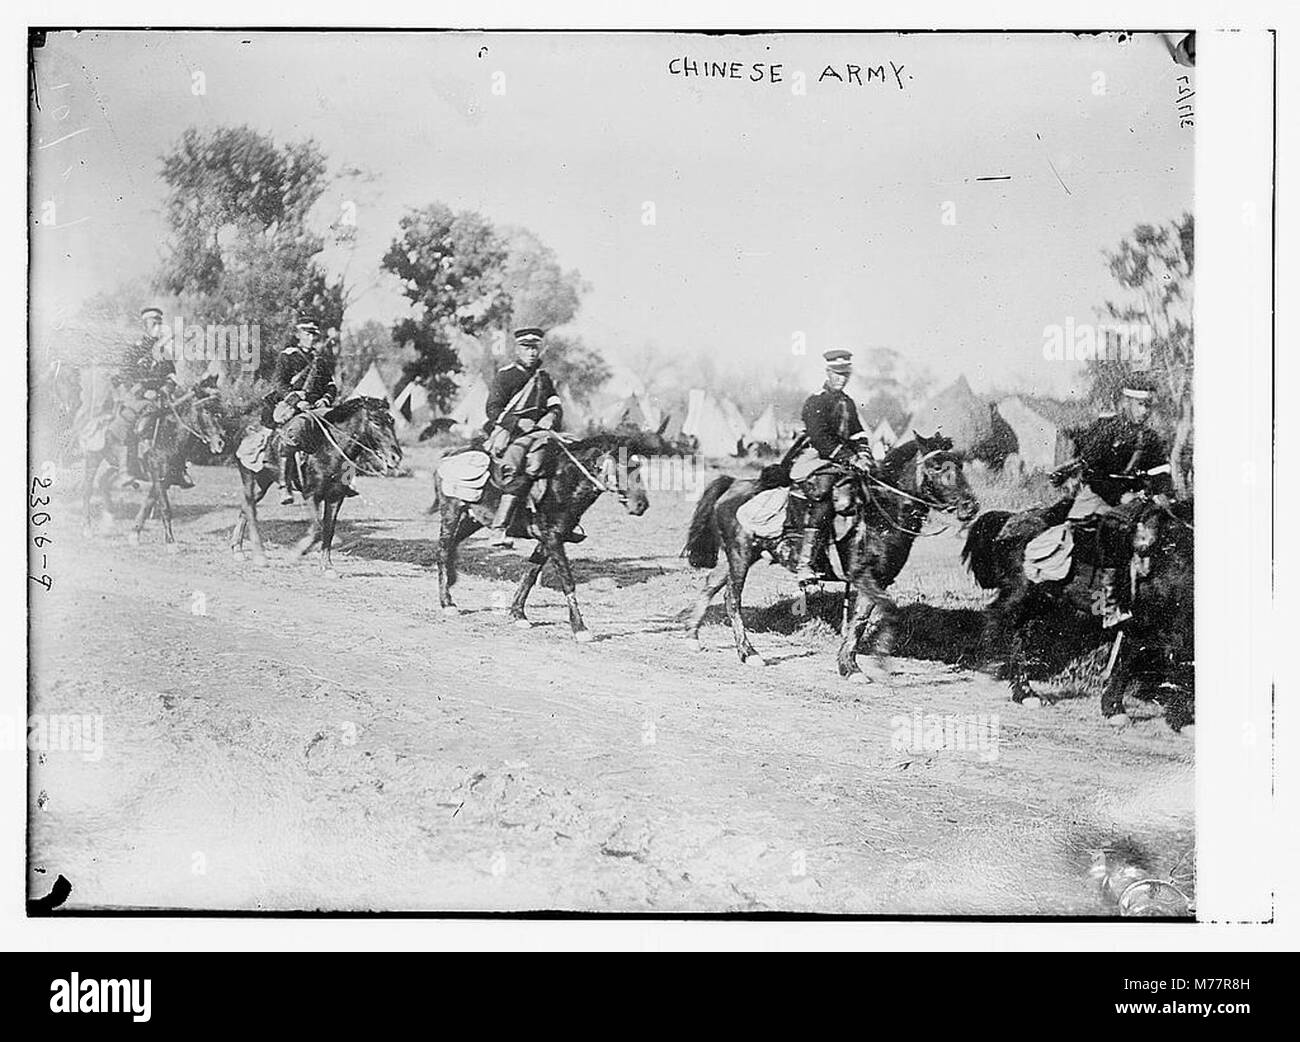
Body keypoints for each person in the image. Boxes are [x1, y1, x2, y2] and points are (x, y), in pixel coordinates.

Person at [788, 349, 876, 581]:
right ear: (828, 372)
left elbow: (857, 433)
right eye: (837, 373)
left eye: (845, 374)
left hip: (843, 461)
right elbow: (821, 439)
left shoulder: (848, 402)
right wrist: (850, 457)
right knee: (825, 494)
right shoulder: (816, 400)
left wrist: (865, 455)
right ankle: (805, 564)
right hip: (816, 458)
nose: (841, 378)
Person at [482, 327, 563, 547]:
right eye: (526, 348)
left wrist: (551, 417)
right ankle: (498, 529)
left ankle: (558, 524)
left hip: (540, 433)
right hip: (510, 435)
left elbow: (555, 404)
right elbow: (493, 409)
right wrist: (517, 423)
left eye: (535, 348)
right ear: (517, 349)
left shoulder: (544, 379)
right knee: (515, 469)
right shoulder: (506, 376)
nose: (531, 353)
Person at [1066, 374, 1171, 521]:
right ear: (1127, 402)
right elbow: (1093, 472)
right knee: (1080, 531)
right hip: (1100, 496)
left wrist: (1162, 492)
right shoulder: (1106, 429)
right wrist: (1120, 496)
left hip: (1137, 497)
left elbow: (1160, 470)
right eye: (1140, 405)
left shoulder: (1150, 437)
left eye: (1148, 406)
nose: (1145, 411)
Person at [261, 317, 339, 503]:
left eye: (314, 334)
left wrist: (324, 399)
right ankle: (284, 485)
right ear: (298, 335)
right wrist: (297, 402)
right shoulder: (288, 356)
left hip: (318, 408)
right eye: (307, 333)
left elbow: (331, 385)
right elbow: (279, 384)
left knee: (343, 433)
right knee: (295, 432)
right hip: (292, 407)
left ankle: (346, 480)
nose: (311, 338)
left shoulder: (319, 360)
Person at [113, 305, 192, 489]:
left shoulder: (163, 351)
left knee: (179, 422)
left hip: (159, 398)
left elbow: (171, 375)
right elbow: (125, 374)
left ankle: (178, 469)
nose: (157, 326)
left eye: (159, 323)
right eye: (153, 323)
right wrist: (141, 389)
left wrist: (167, 387)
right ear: (145, 326)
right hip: (136, 397)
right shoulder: (135, 349)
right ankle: (125, 469)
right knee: (135, 423)